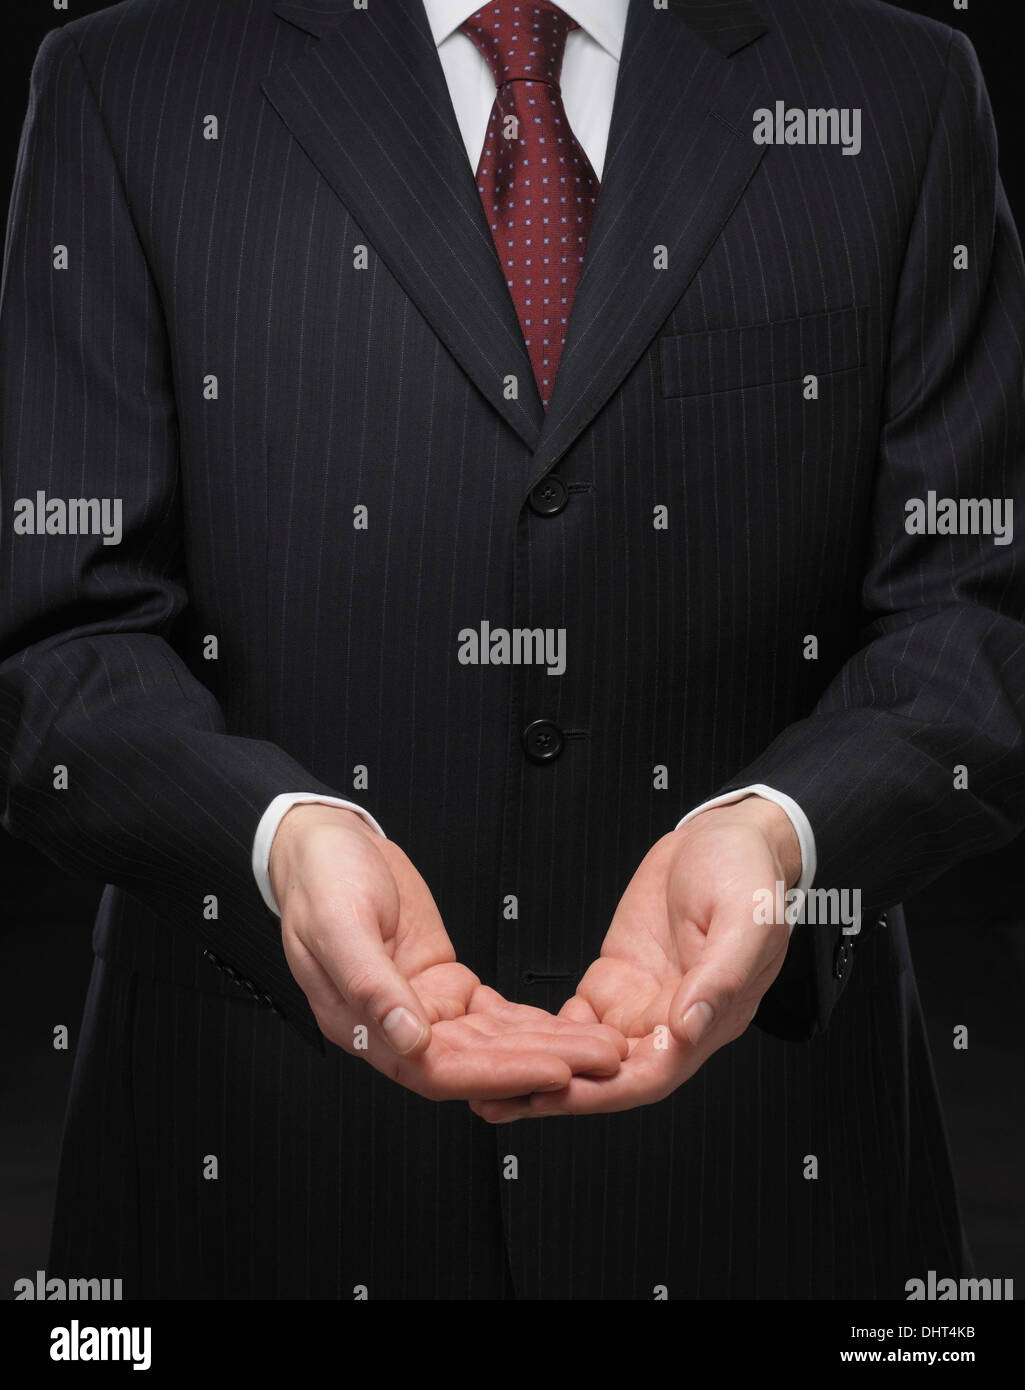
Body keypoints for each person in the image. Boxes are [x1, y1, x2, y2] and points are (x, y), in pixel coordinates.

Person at [2, 0, 1023, 1300]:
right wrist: (276, 840)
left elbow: (977, 612)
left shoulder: (897, 87)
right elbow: (57, 636)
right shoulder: (125, 83)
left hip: (761, 1174)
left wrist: (784, 837)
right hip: (250, 1166)